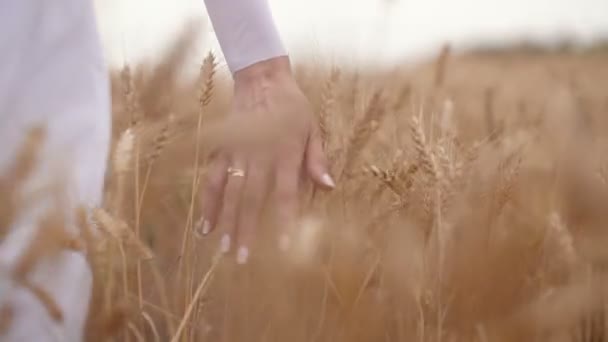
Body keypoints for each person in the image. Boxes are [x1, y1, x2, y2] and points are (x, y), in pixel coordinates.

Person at [0, 0, 334, 340]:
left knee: (32, 304)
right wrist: (259, 62)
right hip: (38, 57)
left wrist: (259, 63)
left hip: (37, 55)